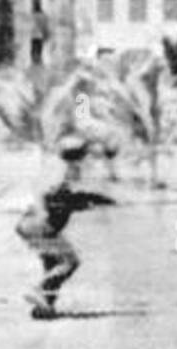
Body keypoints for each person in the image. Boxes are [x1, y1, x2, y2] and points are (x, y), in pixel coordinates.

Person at [15, 135, 116, 319]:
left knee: (52, 264)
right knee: (69, 262)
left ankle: (44, 308)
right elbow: (57, 198)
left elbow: (63, 199)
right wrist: (92, 201)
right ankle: (38, 291)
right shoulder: (67, 171)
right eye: (85, 153)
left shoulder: (55, 167)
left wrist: (90, 201)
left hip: (30, 224)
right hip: (41, 225)